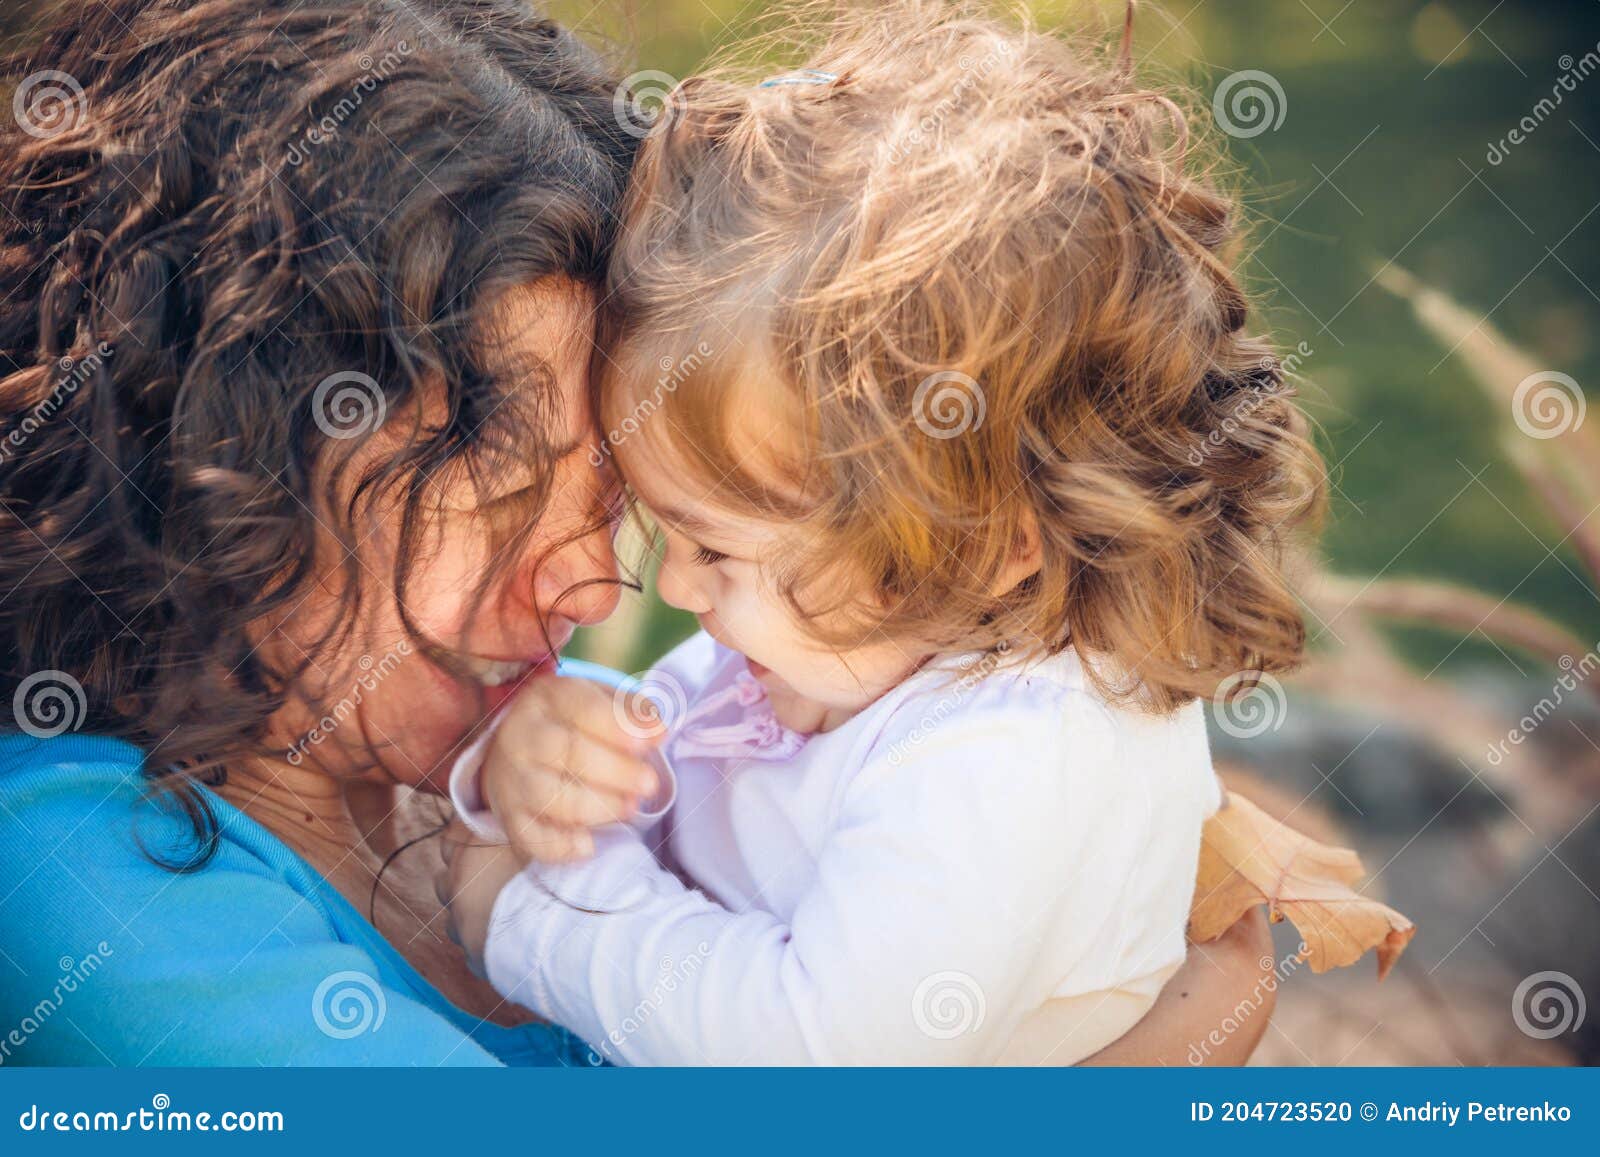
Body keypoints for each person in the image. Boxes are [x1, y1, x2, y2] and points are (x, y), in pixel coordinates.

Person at [441, 1, 1320, 1065]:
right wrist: (549, 754)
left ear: (986, 541)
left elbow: (804, 1055)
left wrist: (525, 915)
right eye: (666, 530)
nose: (676, 588)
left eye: (715, 547)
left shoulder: (1011, 759)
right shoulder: (846, 635)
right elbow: (663, 764)